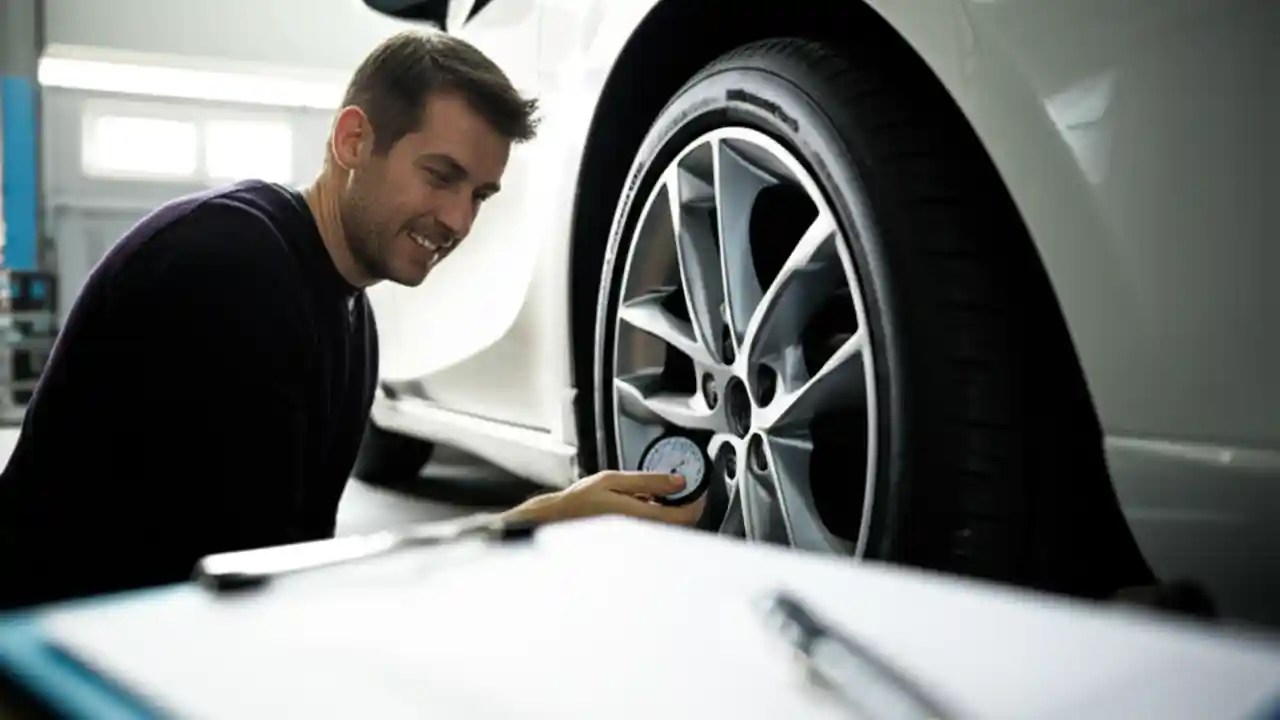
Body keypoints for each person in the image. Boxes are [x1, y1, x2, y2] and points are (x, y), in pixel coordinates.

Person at [0, 31, 704, 609]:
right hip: (53, 656)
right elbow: (252, 591)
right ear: (353, 140)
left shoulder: (351, 317)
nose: (459, 220)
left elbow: (294, 570)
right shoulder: (229, 265)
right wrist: (533, 525)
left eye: (480, 195)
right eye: (440, 176)